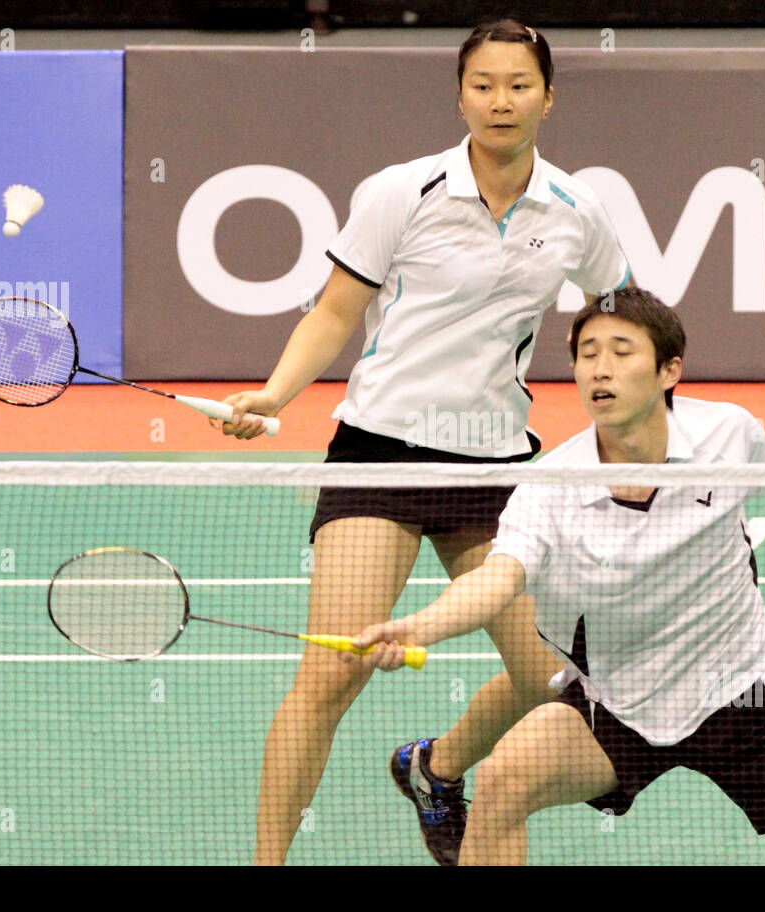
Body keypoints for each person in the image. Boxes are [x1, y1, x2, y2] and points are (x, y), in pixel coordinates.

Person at [353, 287, 765, 865]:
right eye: (586, 354)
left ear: (669, 370)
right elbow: (498, 580)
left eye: (621, 351)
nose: (599, 368)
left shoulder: (726, 433)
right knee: (500, 784)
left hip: (748, 698)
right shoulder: (549, 488)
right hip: (619, 705)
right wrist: (417, 625)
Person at [220, 18, 631, 865]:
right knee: (333, 673)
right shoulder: (399, 192)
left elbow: (623, 311)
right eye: (483, 83)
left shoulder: (577, 211)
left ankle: (438, 769)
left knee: (554, 683)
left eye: (518, 84)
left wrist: (633, 411)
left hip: (497, 467)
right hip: (383, 453)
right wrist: (275, 394)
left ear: (548, 97)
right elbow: (334, 313)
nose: (500, 100)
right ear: (460, 94)